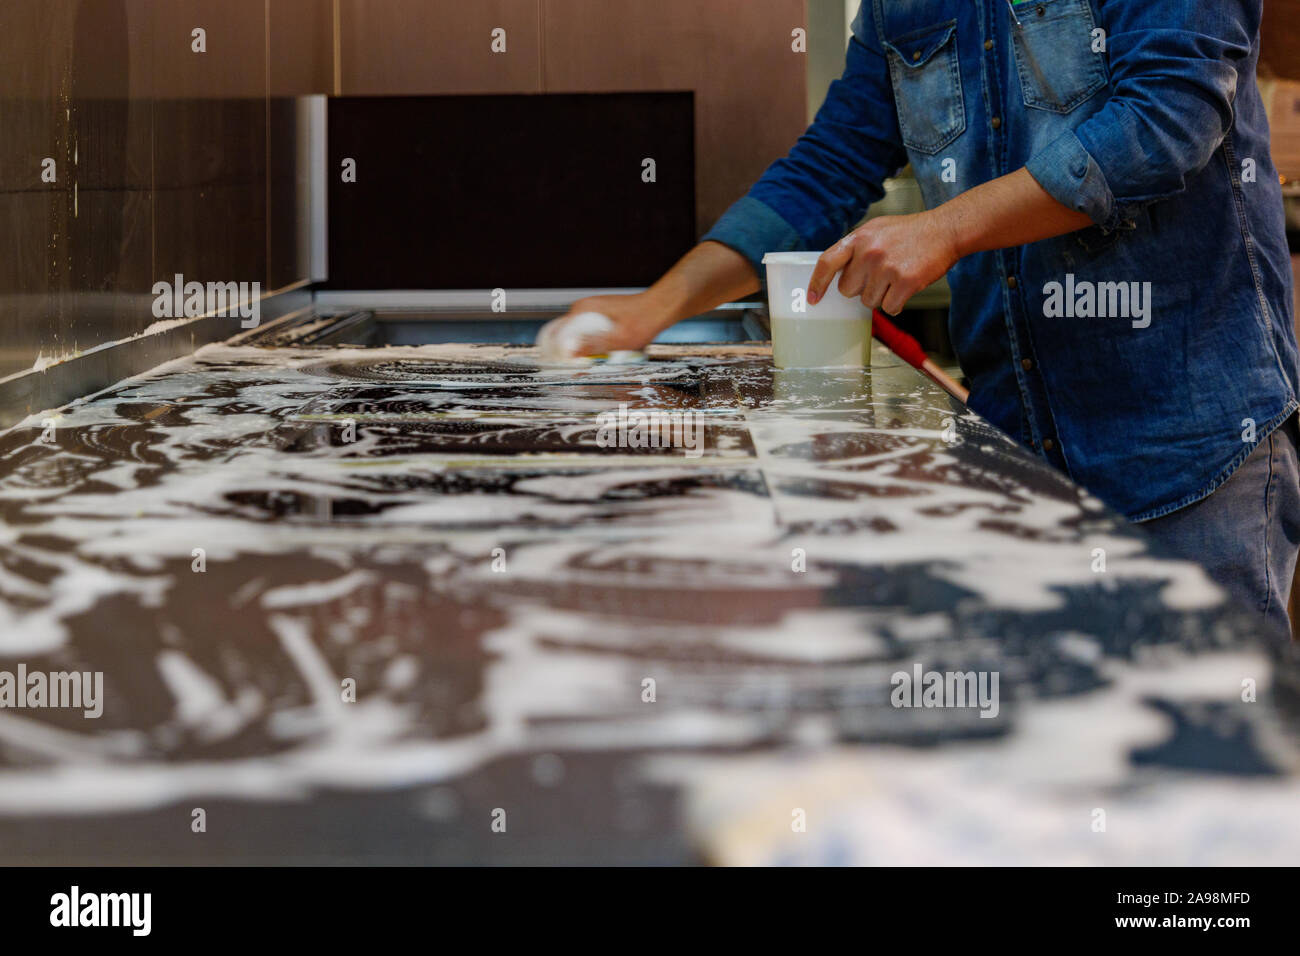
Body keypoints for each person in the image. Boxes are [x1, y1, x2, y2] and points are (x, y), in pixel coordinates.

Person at [547, 0, 1300, 639]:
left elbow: (1165, 120)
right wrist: (651, 312)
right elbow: (832, 162)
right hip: (1015, 456)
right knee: (1057, 767)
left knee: (1215, 768)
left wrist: (945, 229)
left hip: (1188, 448)